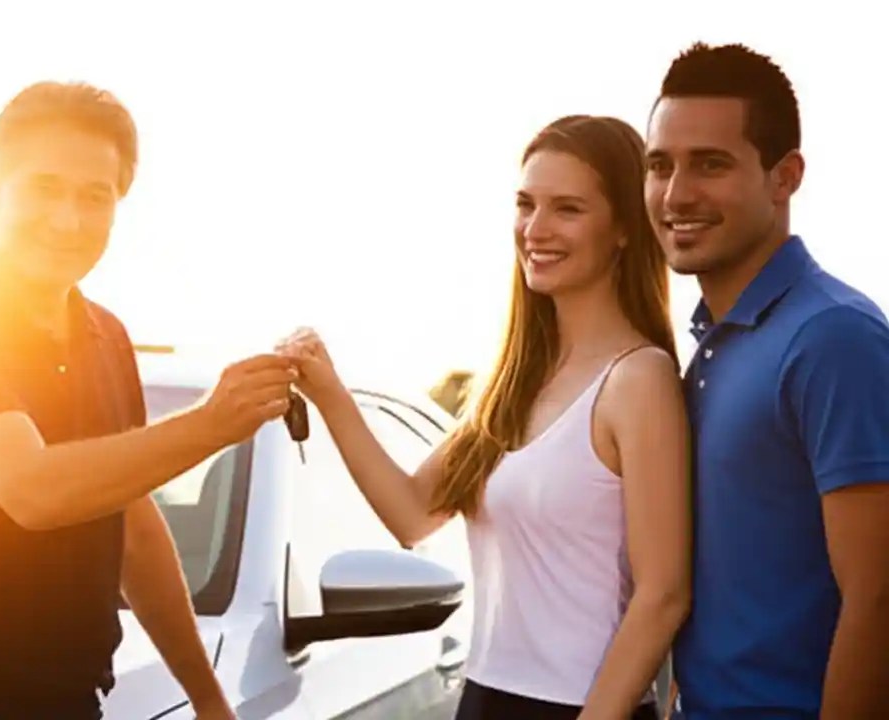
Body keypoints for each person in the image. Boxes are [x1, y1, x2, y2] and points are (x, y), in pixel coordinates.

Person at [0, 81, 297, 719]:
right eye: (45, 188)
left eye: (94, 197)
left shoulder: (108, 336)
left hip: (66, 701)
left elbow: (133, 529)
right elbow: (33, 491)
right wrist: (212, 424)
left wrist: (210, 701)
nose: (67, 220)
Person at [278, 114, 691, 720]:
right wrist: (329, 392)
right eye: (526, 204)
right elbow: (411, 513)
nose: (536, 229)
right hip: (484, 696)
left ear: (625, 228)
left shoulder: (639, 379)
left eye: (567, 209)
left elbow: (663, 594)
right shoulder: (515, 381)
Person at [645, 42, 889, 719]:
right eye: (660, 165)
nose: (676, 194)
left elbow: (878, 596)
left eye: (710, 164)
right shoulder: (713, 346)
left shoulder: (832, 338)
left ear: (785, 177)